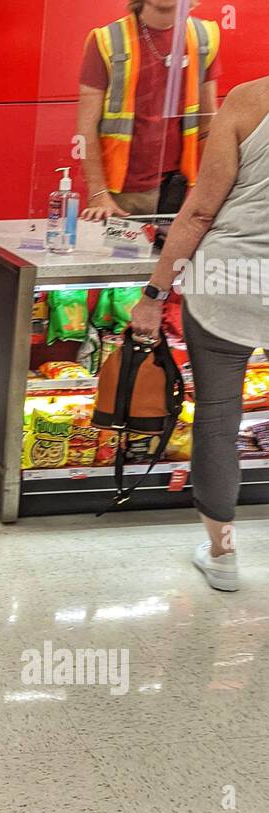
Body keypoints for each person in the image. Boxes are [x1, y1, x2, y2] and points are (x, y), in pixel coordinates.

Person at [128, 76, 269, 592]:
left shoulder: (249, 101)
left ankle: (223, 555)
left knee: (218, 417)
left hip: (226, 282)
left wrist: (154, 294)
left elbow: (201, 211)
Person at [78, 0, 221, 228]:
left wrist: (208, 190)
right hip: (121, 198)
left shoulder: (205, 37)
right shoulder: (107, 41)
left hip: (182, 192)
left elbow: (209, 124)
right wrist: (98, 194)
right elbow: (85, 129)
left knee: (176, 273)